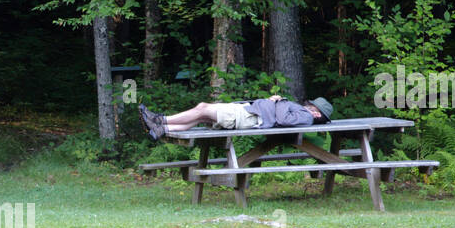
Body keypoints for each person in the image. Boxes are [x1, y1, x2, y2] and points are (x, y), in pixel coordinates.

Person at [139, 94, 333, 140]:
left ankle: (159, 119)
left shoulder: (306, 117)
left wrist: (278, 101)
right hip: (247, 113)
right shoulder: (303, 112)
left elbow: (282, 119)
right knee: (199, 117)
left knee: (202, 108)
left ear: (317, 112)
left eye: (312, 105)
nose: (308, 105)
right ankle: (162, 129)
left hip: (247, 118)